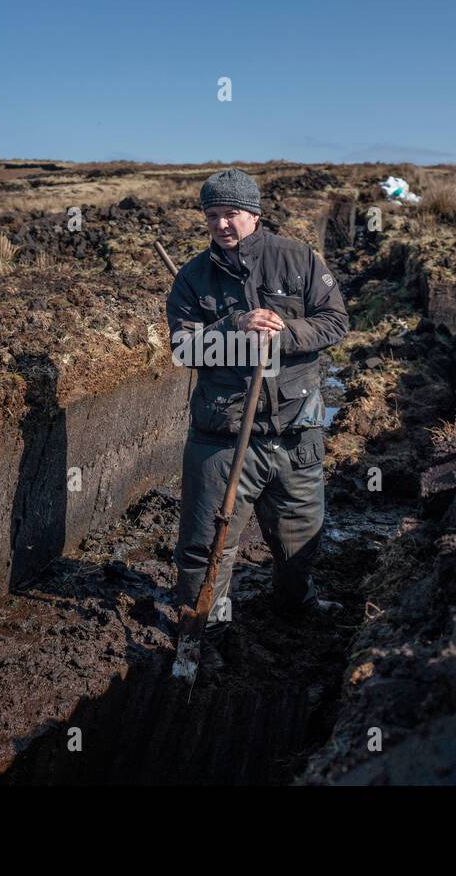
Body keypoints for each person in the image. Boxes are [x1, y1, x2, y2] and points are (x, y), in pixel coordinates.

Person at [165, 167, 349, 674]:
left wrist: (285, 332)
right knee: (205, 546)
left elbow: (336, 322)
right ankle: (207, 629)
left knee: (299, 539)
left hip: (296, 427)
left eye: (232, 214)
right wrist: (233, 326)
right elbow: (184, 348)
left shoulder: (299, 258)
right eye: (213, 215)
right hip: (222, 435)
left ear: (254, 214)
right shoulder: (192, 279)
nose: (223, 224)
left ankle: (296, 604)